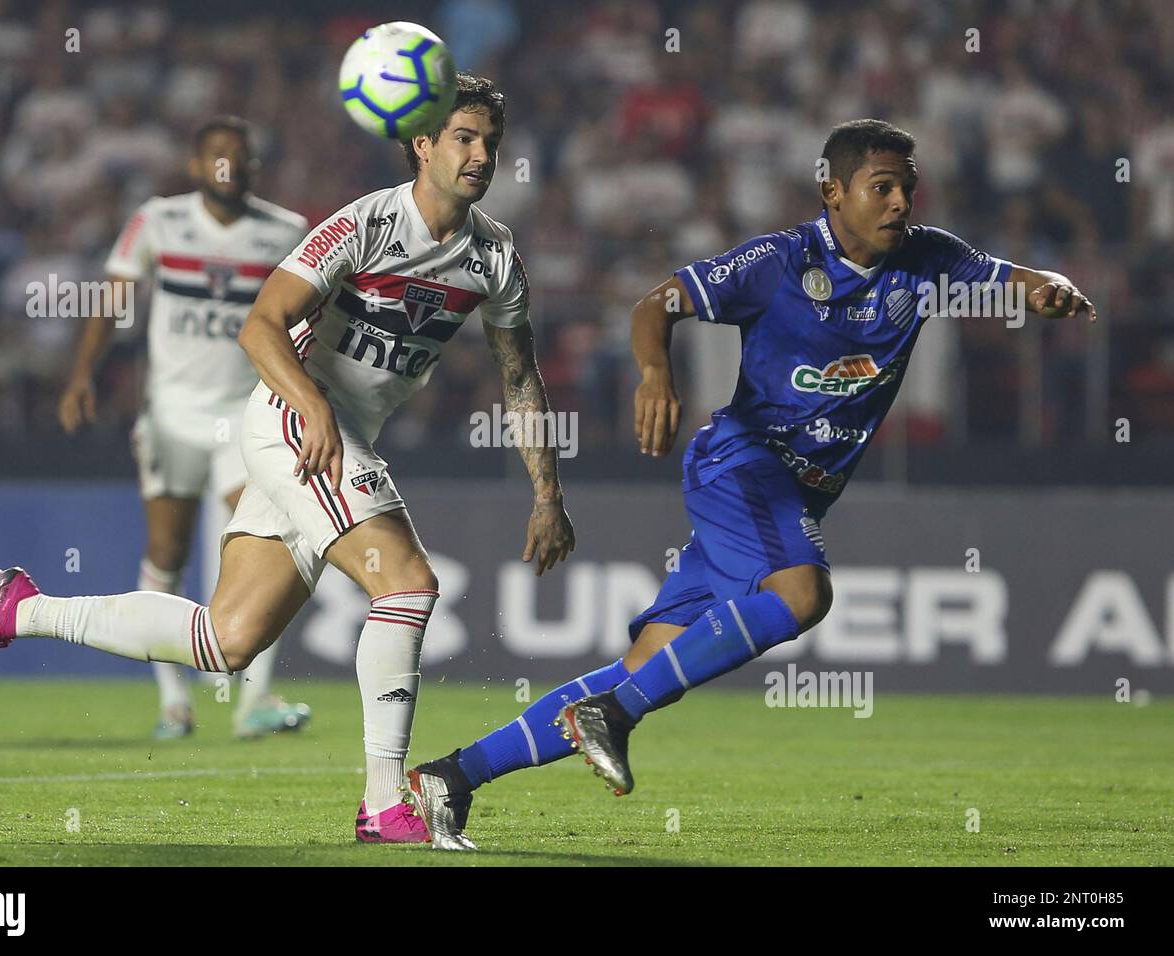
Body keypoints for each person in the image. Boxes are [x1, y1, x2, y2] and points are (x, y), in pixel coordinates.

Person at [406, 118, 1098, 851]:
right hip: (742, 460)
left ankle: (452, 775)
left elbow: (1013, 280)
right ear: (833, 191)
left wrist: (1048, 289)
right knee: (803, 592)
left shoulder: (927, 259)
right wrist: (654, 373)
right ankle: (616, 714)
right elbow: (658, 303)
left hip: (791, 494)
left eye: (907, 187)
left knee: (643, 666)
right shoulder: (780, 261)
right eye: (882, 187)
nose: (900, 202)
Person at [0, 75, 576, 845]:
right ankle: (383, 803)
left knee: (225, 641)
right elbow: (261, 325)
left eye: (491, 144)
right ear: (423, 144)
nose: (480, 156)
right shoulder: (362, 226)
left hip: (332, 434)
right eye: (464, 139)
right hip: (293, 424)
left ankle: (21, 609)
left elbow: (519, 376)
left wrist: (546, 494)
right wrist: (311, 404)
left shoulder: (494, 256)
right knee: (407, 586)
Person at [58, 115, 311, 740]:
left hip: (246, 413)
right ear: (196, 166)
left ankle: (253, 701)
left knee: (266, 538)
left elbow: (310, 318)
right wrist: (81, 375)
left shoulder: (286, 231)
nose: (229, 165)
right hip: (171, 413)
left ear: (254, 166)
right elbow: (113, 300)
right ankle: (175, 702)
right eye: (217, 155)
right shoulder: (159, 220)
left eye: (240, 155)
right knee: (167, 552)